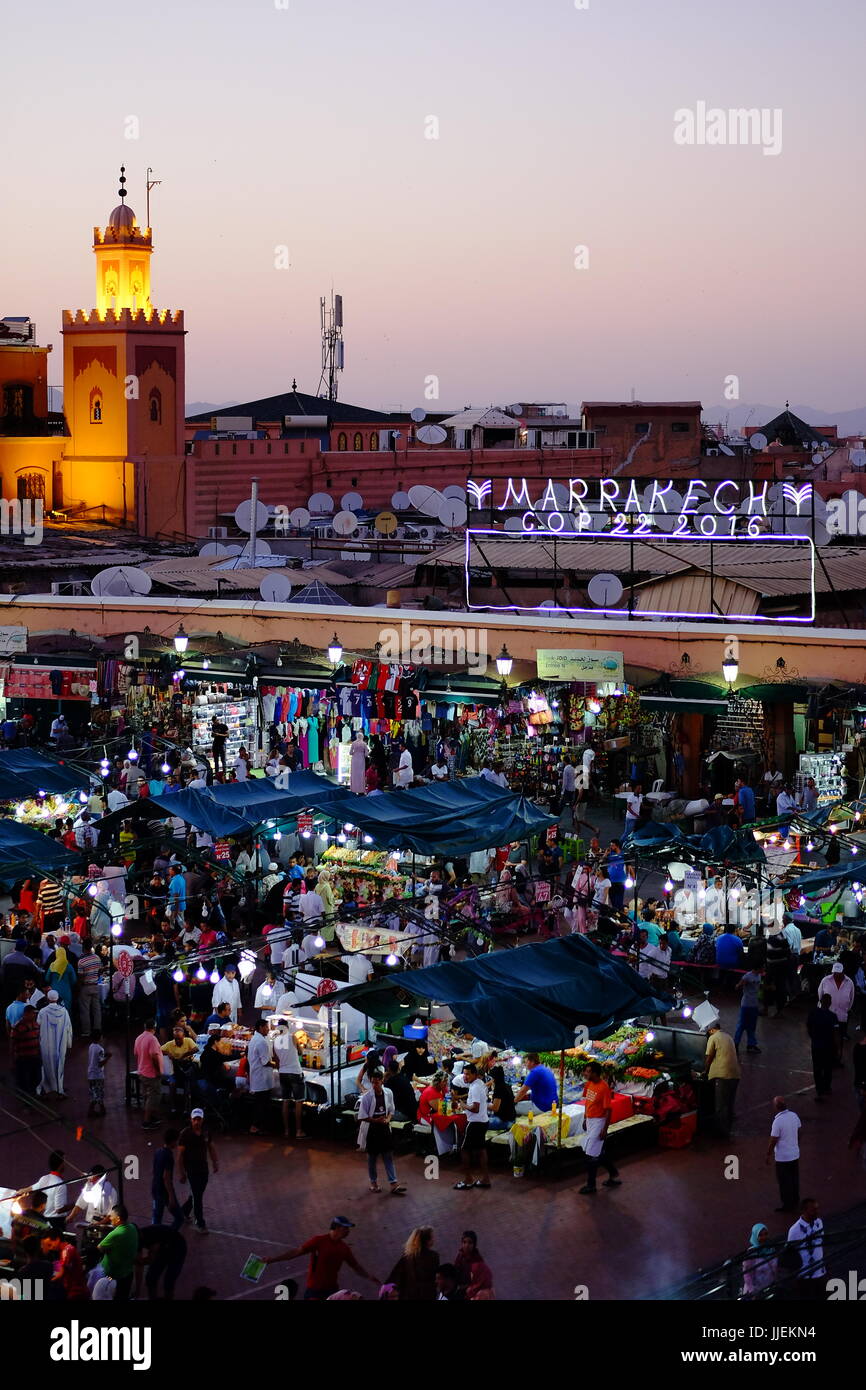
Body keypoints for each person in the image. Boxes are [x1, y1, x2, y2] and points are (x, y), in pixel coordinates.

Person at [263, 1216, 382, 1300]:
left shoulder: (344, 1248)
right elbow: (296, 1252)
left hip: (332, 1290)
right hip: (314, 1290)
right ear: (337, 1228)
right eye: (346, 1228)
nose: (348, 1231)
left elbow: (355, 1266)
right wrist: (273, 1260)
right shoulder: (318, 1241)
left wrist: (368, 1276)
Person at [357, 1069, 406, 1194]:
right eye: (372, 1083)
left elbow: (391, 1110)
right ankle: (373, 1183)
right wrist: (375, 1120)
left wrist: (387, 1119)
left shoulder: (388, 1093)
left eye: (377, 1083)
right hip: (372, 1129)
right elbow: (362, 1116)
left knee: (388, 1155)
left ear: (382, 1081)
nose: (374, 1085)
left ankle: (393, 1183)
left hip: (384, 1128)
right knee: (372, 1158)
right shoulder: (367, 1097)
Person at [579, 1061, 622, 1195]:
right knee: (595, 1151)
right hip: (591, 1121)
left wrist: (604, 1129)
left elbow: (608, 1110)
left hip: (599, 1122)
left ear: (595, 1073)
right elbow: (588, 1102)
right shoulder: (589, 1084)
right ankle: (613, 1173)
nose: (585, 1073)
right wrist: (585, 1118)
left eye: (588, 1071)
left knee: (591, 1154)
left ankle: (591, 1185)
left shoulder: (604, 1088)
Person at [178, 1109, 219, 1233]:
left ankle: (183, 1211)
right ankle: (200, 1223)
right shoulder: (185, 1134)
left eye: (199, 1119)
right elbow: (180, 1155)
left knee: (197, 1194)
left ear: (202, 1119)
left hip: (203, 1168)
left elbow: (211, 1147)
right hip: (191, 1169)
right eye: (194, 1119)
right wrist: (182, 1172)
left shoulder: (206, 1132)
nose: (196, 1122)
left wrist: (215, 1162)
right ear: (191, 1119)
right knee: (197, 1196)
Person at [453, 1062, 490, 1190]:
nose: (465, 1077)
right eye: (464, 1074)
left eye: (468, 1074)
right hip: (483, 1121)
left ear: (474, 1074)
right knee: (481, 1150)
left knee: (464, 1150)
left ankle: (468, 1179)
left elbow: (475, 1108)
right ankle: (485, 1179)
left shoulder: (474, 1087)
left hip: (475, 1123)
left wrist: (463, 1106)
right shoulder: (479, 1084)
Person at [703, 1020, 741, 1137]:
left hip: (722, 1075)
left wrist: (705, 1070)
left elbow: (709, 1057)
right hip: (735, 1075)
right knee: (729, 1103)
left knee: (720, 1106)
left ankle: (721, 1133)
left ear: (711, 1030)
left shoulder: (713, 1038)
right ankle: (728, 1129)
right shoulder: (728, 1036)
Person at [97, 1204, 139, 1302]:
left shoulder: (115, 1234)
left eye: (111, 1216)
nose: (109, 1218)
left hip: (113, 1276)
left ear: (118, 1218)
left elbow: (100, 1247)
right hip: (128, 1273)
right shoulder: (132, 1227)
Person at [273, 1018, 307, 1139]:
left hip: (282, 1073)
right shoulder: (292, 1036)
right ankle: (298, 1131)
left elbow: (276, 1061)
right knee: (298, 1101)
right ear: (287, 1027)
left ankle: (287, 1131)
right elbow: (300, 1052)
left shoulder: (275, 1040)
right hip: (295, 1072)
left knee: (285, 1101)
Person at [767, 1096, 801, 1214]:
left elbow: (773, 1140)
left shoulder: (777, 1121)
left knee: (784, 1181)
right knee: (794, 1179)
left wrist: (768, 1154)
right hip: (794, 1154)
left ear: (776, 1107)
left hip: (782, 1157)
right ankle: (795, 1201)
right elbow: (799, 1131)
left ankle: (787, 1204)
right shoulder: (794, 1116)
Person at [135, 1225, 188, 1301]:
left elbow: (150, 1259)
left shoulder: (150, 1235)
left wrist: (137, 1261)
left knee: (169, 1279)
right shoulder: (135, 1239)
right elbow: (139, 1265)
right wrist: (137, 1290)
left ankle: (168, 1297)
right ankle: (152, 1297)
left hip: (178, 1247)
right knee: (150, 1278)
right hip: (162, 1248)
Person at [786, 1199, 825, 1298]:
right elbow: (789, 1253)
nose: (817, 1212)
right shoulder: (794, 1230)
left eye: (817, 1209)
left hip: (820, 1272)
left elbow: (821, 1243)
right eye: (813, 1210)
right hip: (805, 1276)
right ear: (804, 1211)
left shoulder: (819, 1222)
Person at [388, 1226, 439, 1301]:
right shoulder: (433, 1256)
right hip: (426, 1295)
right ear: (427, 1241)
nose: (434, 1239)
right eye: (432, 1237)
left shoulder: (408, 1256)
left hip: (408, 1295)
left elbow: (397, 1275)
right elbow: (434, 1276)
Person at [38, 990, 72, 1098]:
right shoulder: (64, 1011)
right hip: (60, 1045)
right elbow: (69, 1028)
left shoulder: (42, 1012)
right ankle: (59, 1089)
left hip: (46, 1045)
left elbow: (38, 1025)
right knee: (60, 1066)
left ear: (48, 999)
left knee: (46, 1065)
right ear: (57, 998)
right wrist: (68, 1044)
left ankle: (47, 1088)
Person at [134, 1019, 165, 1132]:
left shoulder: (139, 1038)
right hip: (151, 1073)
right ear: (154, 1027)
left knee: (147, 1096)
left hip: (141, 1071)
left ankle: (152, 1117)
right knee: (153, 1097)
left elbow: (136, 1053)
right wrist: (158, 1070)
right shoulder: (152, 1039)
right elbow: (153, 1056)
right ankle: (146, 1121)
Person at [820, 962, 855, 1061]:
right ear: (833, 972)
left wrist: (846, 1010)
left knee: (839, 1039)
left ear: (843, 972)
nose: (837, 975)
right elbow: (820, 995)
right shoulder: (825, 980)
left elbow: (851, 999)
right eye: (835, 973)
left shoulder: (849, 982)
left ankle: (837, 1059)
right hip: (827, 1016)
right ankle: (827, 1058)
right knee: (827, 1038)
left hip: (841, 1016)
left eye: (839, 973)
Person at [248, 1018, 276, 1135]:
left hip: (257, 1075)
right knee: (262, 1103)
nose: (268, 1029)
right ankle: (255, 1126)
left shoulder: (255, 1039)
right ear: (260, 1028)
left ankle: (258, 1126)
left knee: (260, 1103)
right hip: (261, 1077)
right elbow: (265, 1062)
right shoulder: (261, 1042)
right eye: (266, 1027)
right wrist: (277, 1064)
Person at [42, 1229, 89, 1301]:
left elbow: (61, 1273)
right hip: (74, 1292)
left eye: (50, 1244)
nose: (50, 1248)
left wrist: (46, 1282)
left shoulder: (66, 1250)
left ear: (57, 1240)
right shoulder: (66, 1250)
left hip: (76, 1293)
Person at [806, 993, 837, 1100]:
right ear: (830, 1004)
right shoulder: (833, 1017)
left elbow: (808, 1027)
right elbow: (835, 1033)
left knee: (817, 1067)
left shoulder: (813, 1013)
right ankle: (827, 1087)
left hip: (816, 1045)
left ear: (821, 1001)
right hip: (828, 1046)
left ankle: (819, 1089)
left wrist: (813, 1037)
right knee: (828, 1067)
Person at [152, 1128, 184, 1228]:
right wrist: (171, 1196)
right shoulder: (168, 1156)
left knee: (157, 1218)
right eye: (177, 1140)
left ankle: (156, 1239)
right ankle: (169, 1236)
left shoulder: (158, 1151)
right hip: (164, 1192)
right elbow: (166, 1177)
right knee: (179, 1218)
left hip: (155, 1188)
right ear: (173, 1141)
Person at [453, 1229, 494, 1299]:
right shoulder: (460, 1256)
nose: (466, 1245)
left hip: (471, 1291)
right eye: (464, 1242)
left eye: (470, 1243)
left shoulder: (477, 1260)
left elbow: (479, 1282)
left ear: (474, 1244)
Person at [11, 1003, 42, 1094]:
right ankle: (26, 1101)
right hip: (23, 1058)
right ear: (26, 1014)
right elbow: (13, 1043)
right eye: (33, 1013)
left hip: (35, 1057)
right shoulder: (18, 1026)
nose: (35, 1015)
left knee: (37, 1078)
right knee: (24, 1081)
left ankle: (33, 1095)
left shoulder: (36, 1024)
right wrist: (12, 1059)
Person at [741, 1223, 778, 1298]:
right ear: (755, 1236)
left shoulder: (771, 1249)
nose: (764, 1237)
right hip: (756, 1293)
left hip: (770, 1290)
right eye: (760, 1235)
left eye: (766, 1234)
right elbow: (747, 1275)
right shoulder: (751, 1253)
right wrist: (752, 1292)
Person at [32, 1150, 69, 1219]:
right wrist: (76, 1205)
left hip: (45, 1219)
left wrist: (18, 1193)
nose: (66, 1164)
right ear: (61, 1164)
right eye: (64, 1162)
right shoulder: (60, 1184)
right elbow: (59, 1209)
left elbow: (31, 1188)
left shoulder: (44, 1178)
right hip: (57, 1221)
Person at [77, 938, 102, 1037]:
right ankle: (97, 1029)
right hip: (95, 986)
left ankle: (87, 1031)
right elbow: (100, 972)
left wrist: (78, 988)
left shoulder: (81, 961)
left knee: (85, 1010)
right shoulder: (97, 958)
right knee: (97, 1009)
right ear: (91, 947)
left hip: (86, 987)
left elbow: (80, 977)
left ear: (83, 947)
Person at [734, 966, 763, 1053]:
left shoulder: (759, 976)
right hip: (746, 1004)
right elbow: (737, 986)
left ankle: (751, 1044)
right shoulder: (747, 976)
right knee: (742, 1025)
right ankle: (736, 1043)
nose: (763, 969)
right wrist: (741, 984)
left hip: (754, 1004)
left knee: (752, 1026)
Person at [44, 944, 74, 1013]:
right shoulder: (69, 966)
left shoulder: (52, 965)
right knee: (67, 1012)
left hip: (54, 992)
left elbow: (47, 979)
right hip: (67, 992)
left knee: (54, 1012)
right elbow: (74, 980)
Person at [487, 1064, 517, 1130]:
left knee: (478, 1123)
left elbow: (495, 1108)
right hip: (511, 1119)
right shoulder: (506, 1086)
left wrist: (484, 1105)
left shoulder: (499, 1088)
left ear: (493, 1078)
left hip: (505, 1121)